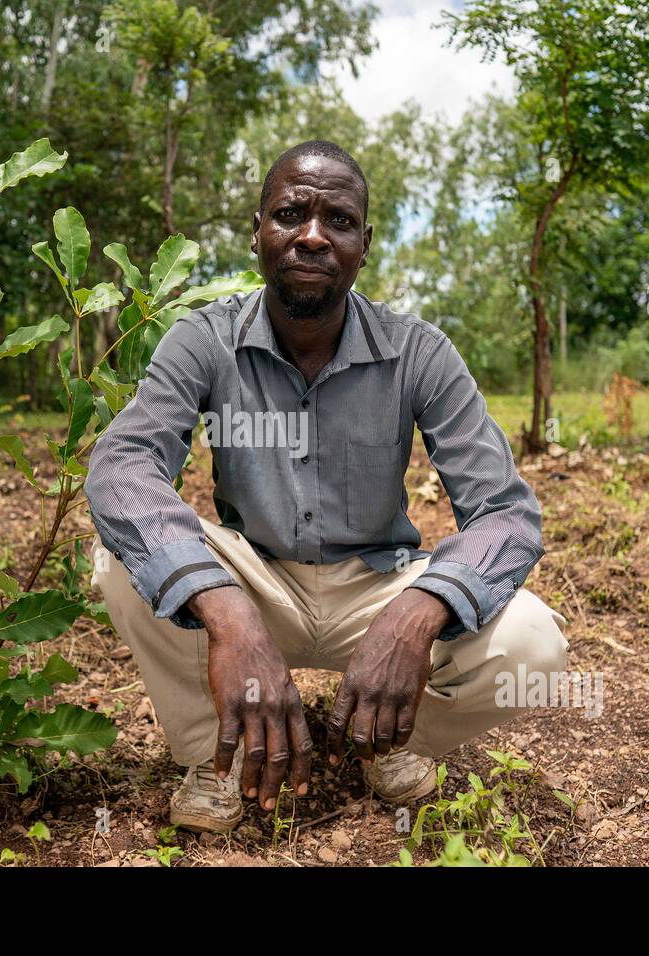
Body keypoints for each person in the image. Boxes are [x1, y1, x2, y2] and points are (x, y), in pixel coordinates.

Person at [85, 139, 568, 833]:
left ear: (362, 244)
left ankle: (387, 738)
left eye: (337, 220)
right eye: (290, 213)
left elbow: (506, 514)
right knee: (118, 558)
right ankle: (217, 755)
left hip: (378, 585)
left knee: (537, 646)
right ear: (258, 231)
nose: (312, 235)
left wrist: (418, 611)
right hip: (256, 579)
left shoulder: (419, 352)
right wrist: (227, 608)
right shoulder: (203, 341)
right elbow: (123, 467)